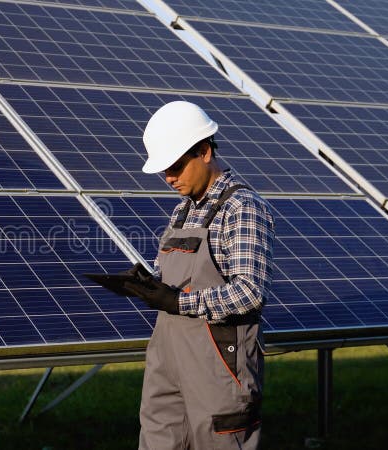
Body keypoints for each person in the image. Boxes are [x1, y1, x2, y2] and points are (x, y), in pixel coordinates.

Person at [122, 101, 275, 450]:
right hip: (168, 356)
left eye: (175, 167)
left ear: (205, 151)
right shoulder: (181, 211)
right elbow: (173, 278)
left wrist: (178, 301)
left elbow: (250, 293)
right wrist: (149, 284)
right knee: (160, 438)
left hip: (220, 361)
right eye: (164, 171)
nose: (169, 178)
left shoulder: (242, 207)